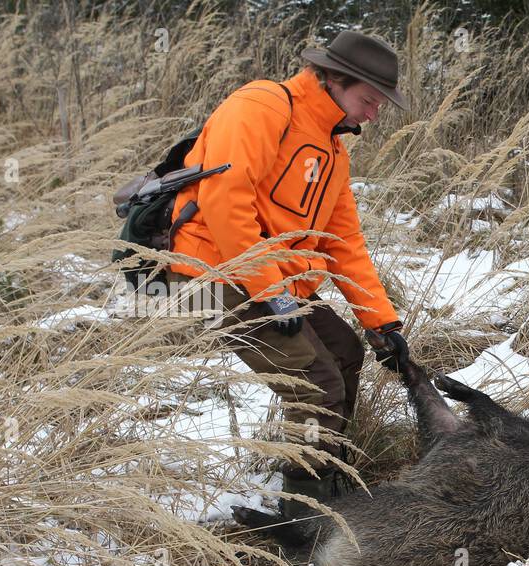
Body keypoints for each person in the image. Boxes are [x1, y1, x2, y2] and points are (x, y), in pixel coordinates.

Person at [165, 30, 410, 519]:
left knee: (344, 353)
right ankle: (302, 513)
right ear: (336, 80)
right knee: (316, 384)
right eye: (369, 100)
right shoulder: (261, 107)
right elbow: (224, 202)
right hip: (210, 274)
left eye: (380, 104)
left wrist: (381, 323)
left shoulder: (332, 149)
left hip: (270, 282)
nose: (373, 114)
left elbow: (344, 245)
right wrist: (272, 293)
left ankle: (326, 473)